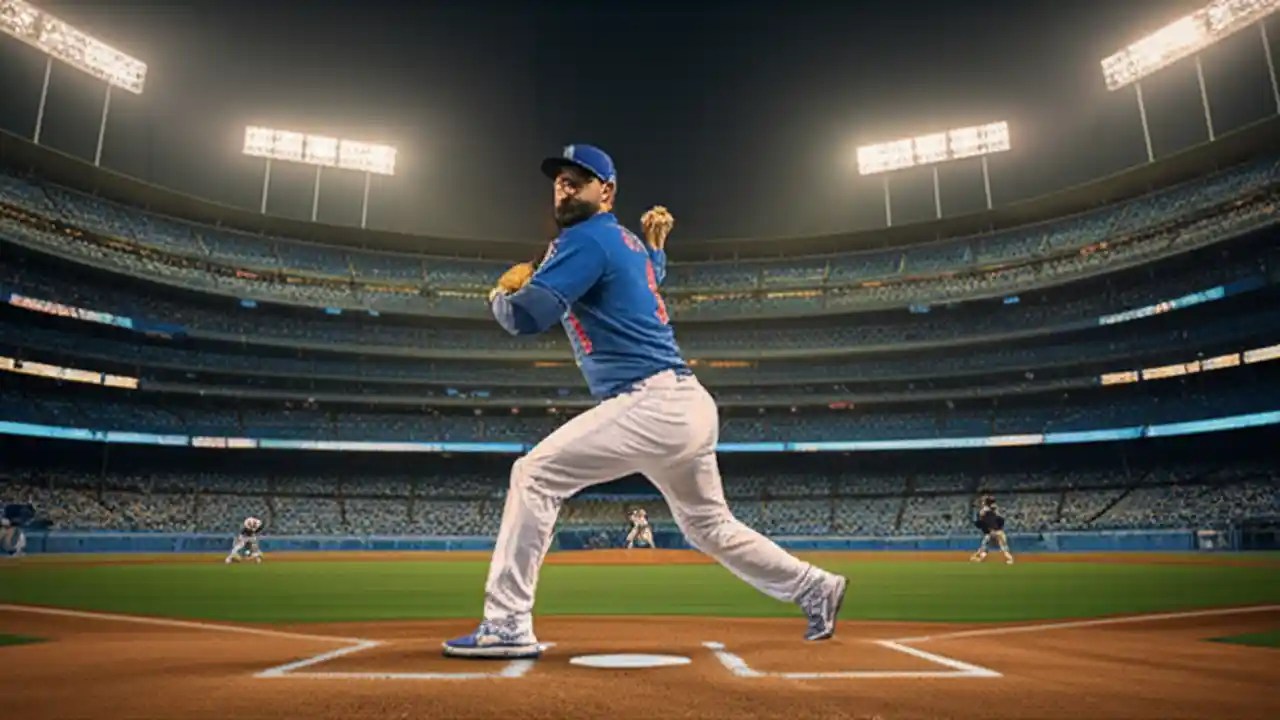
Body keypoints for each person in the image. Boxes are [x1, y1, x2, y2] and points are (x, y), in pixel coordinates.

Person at [443, 144, 848, 659]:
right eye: (560, 178)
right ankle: (814, 586)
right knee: (709, 526)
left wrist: (501, 296)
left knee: (534, 475)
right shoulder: (625, 243)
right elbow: (647, 281)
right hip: (687, 405)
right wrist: (656, 251)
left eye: (580, 179)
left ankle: (505, 625)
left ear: (606, 192)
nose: (565, 185)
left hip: (650, 402)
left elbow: (528, 318)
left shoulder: (584, 239)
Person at [970, 495, 1014, 564]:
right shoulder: (994, 510)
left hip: (993, 531)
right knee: (989, 545)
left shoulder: (985, 511)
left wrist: (991, 529)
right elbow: (999, 519)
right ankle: (1010, 559)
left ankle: (979, 557)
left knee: (988, 545)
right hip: (996, 531)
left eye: (983, 501)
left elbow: (986, 519)